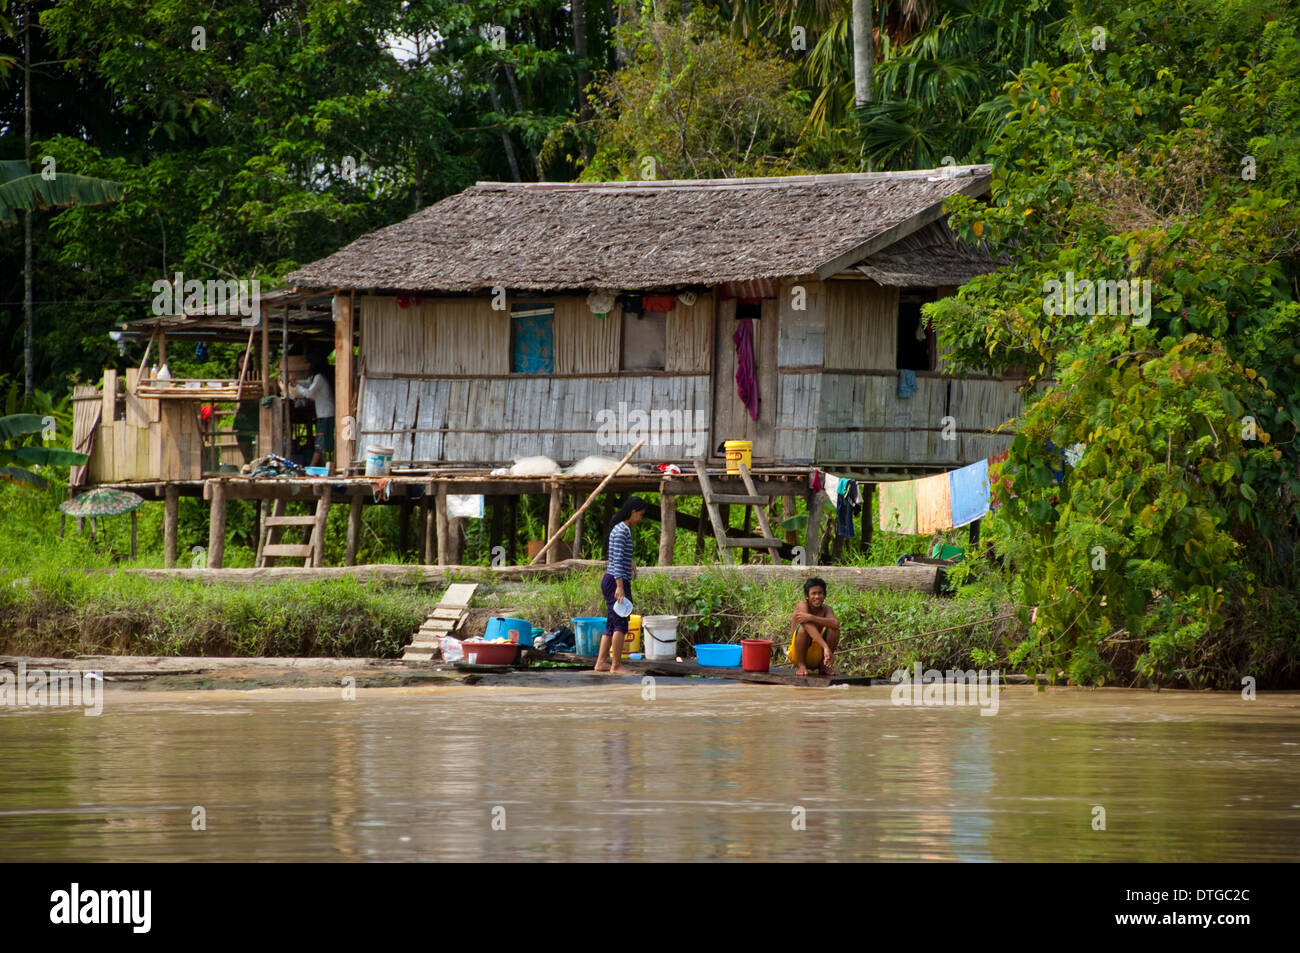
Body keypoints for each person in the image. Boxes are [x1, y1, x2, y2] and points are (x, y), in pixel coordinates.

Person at [595, 496, 649, 674]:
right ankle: (616, 665)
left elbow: (620, 555)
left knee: (611, 622)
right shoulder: (621, 530)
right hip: (615, 581)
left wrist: (631, 564)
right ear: (632, 512)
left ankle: (601, 662)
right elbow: (616, 560)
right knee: (620, 623)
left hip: (615, 579)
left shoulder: (622, 529)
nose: (640, 519)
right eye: (640, 515)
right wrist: (620, 586)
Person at [786, 577, 840, 676]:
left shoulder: (827, 609)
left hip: (818, 655)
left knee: (834, 630)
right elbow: (808, 627)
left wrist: (811, 617)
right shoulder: (802, 606)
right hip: (798, 655)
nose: (817, 596)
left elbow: (835, 624)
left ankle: (824, 666)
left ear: (824, 595)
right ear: (807, 596)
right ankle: (801, 665)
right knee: (803, 629)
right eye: (813, 594)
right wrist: (825, 647)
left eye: (820, 593)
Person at [289, 354, 334, 469]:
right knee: (324, 442)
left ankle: (311, 468)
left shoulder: (319, 378)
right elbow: (307, 383)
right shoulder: (317, 377)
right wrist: (296, 383)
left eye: (309, 363)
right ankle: (320, 466)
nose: (307, 365)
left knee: (319, 443)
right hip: (324, 414)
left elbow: (309, 393)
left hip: (326, 414)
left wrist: (295, 385)